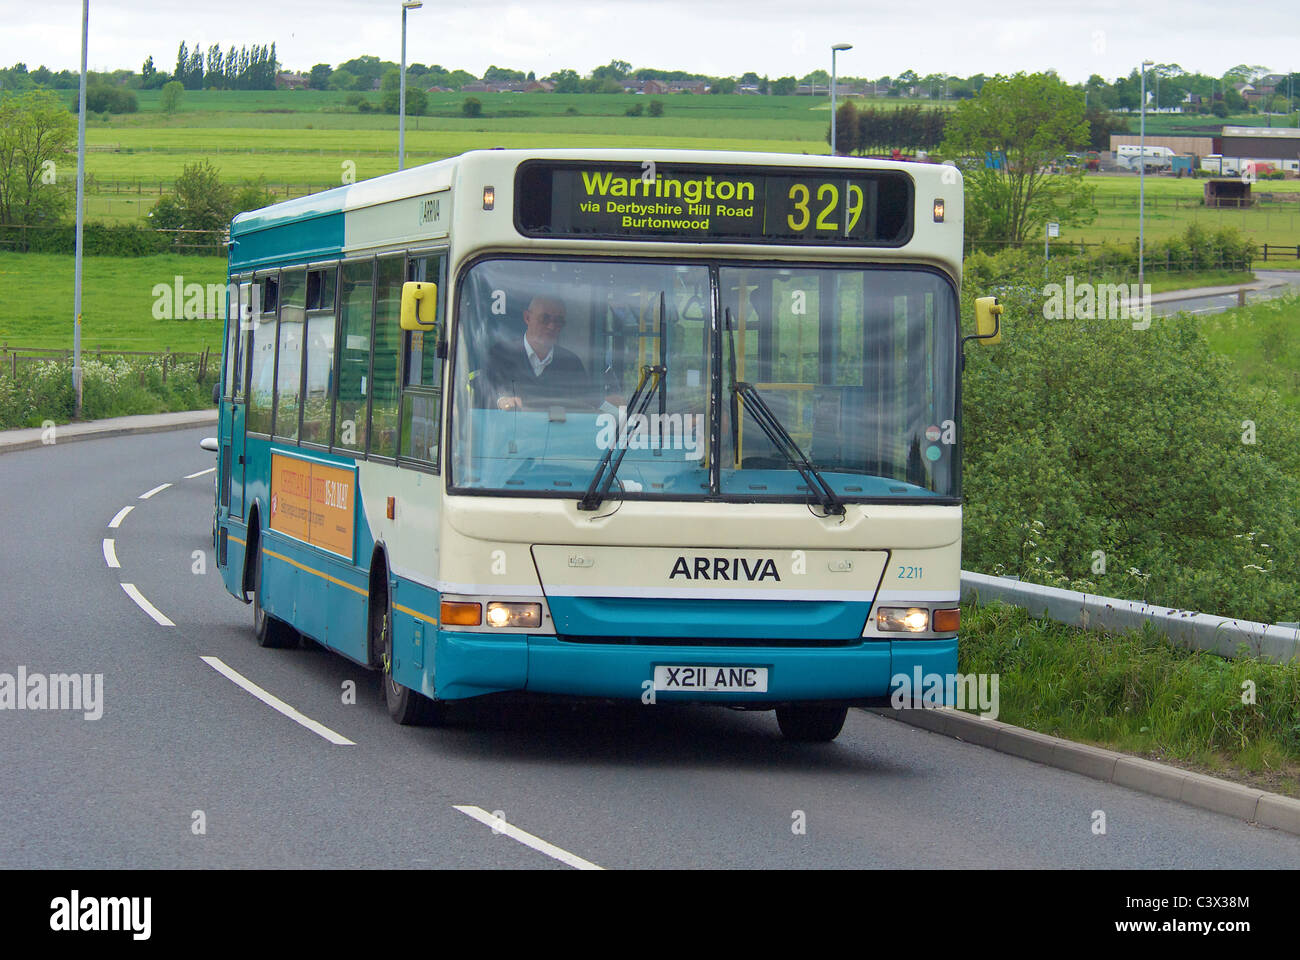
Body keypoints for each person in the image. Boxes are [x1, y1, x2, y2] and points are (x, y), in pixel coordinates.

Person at [483, 295, 614, 410]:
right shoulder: (501, 354)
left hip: (561, 436)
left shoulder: (571, 362)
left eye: (558, 321)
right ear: (527, 318)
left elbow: (589, 401)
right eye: (544, 319)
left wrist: (615, 409)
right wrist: (502, 401)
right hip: (514, 435)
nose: (551, 326)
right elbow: (483, 393)